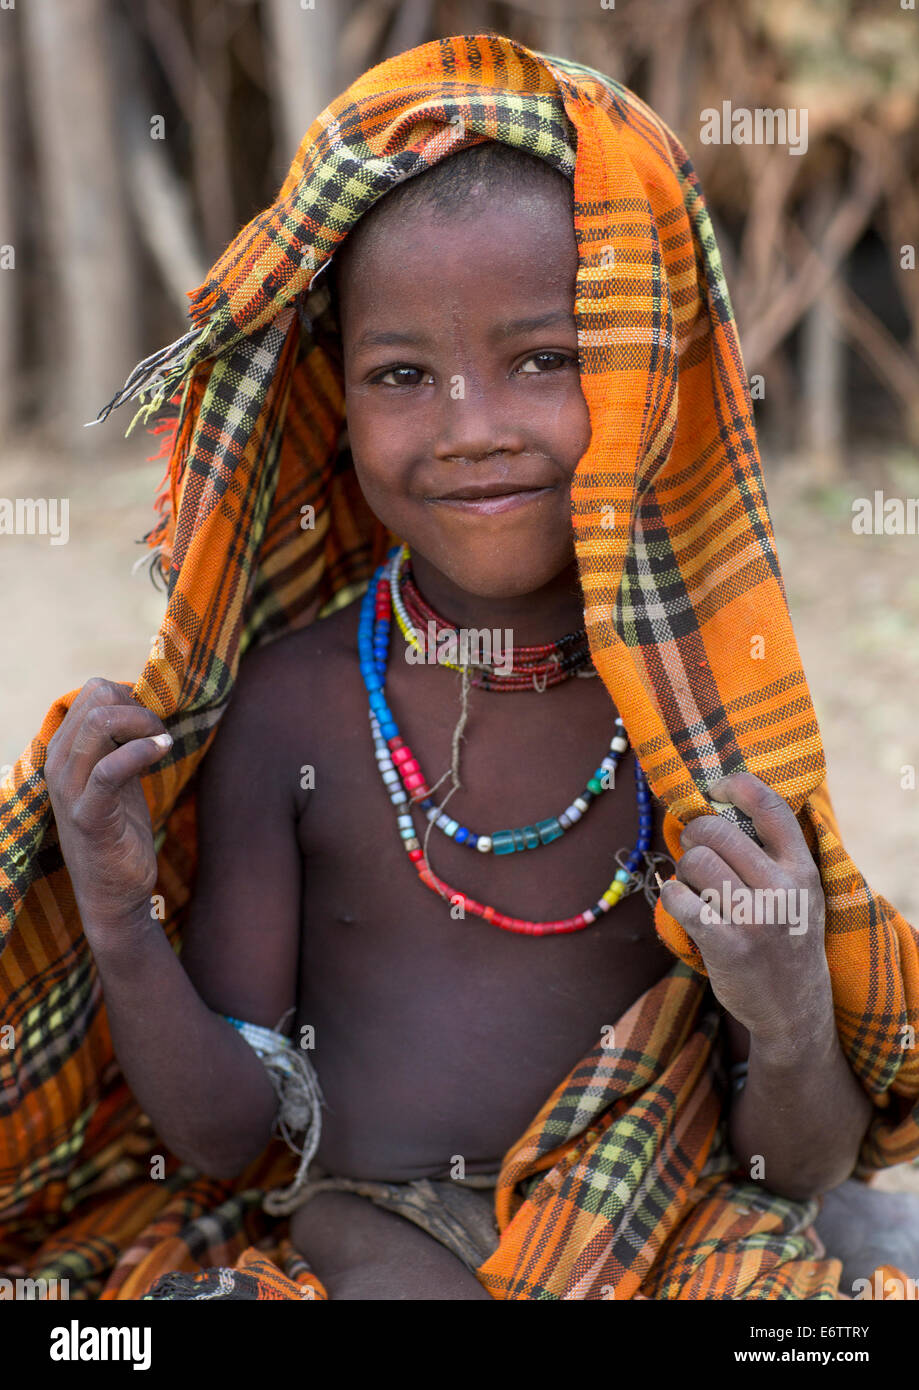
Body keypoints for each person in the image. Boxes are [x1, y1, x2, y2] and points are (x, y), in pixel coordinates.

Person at [5, 33, 919, 1302]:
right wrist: (118, 914)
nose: (471, 429)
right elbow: (221, 1142)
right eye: (401, 374)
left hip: (659, 1220)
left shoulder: (694, 722)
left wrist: (787, 1012)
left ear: (646, 375)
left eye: (544, 359)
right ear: (333, 394)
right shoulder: (293, 707)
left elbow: (793, 1165)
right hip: (377, 1227)